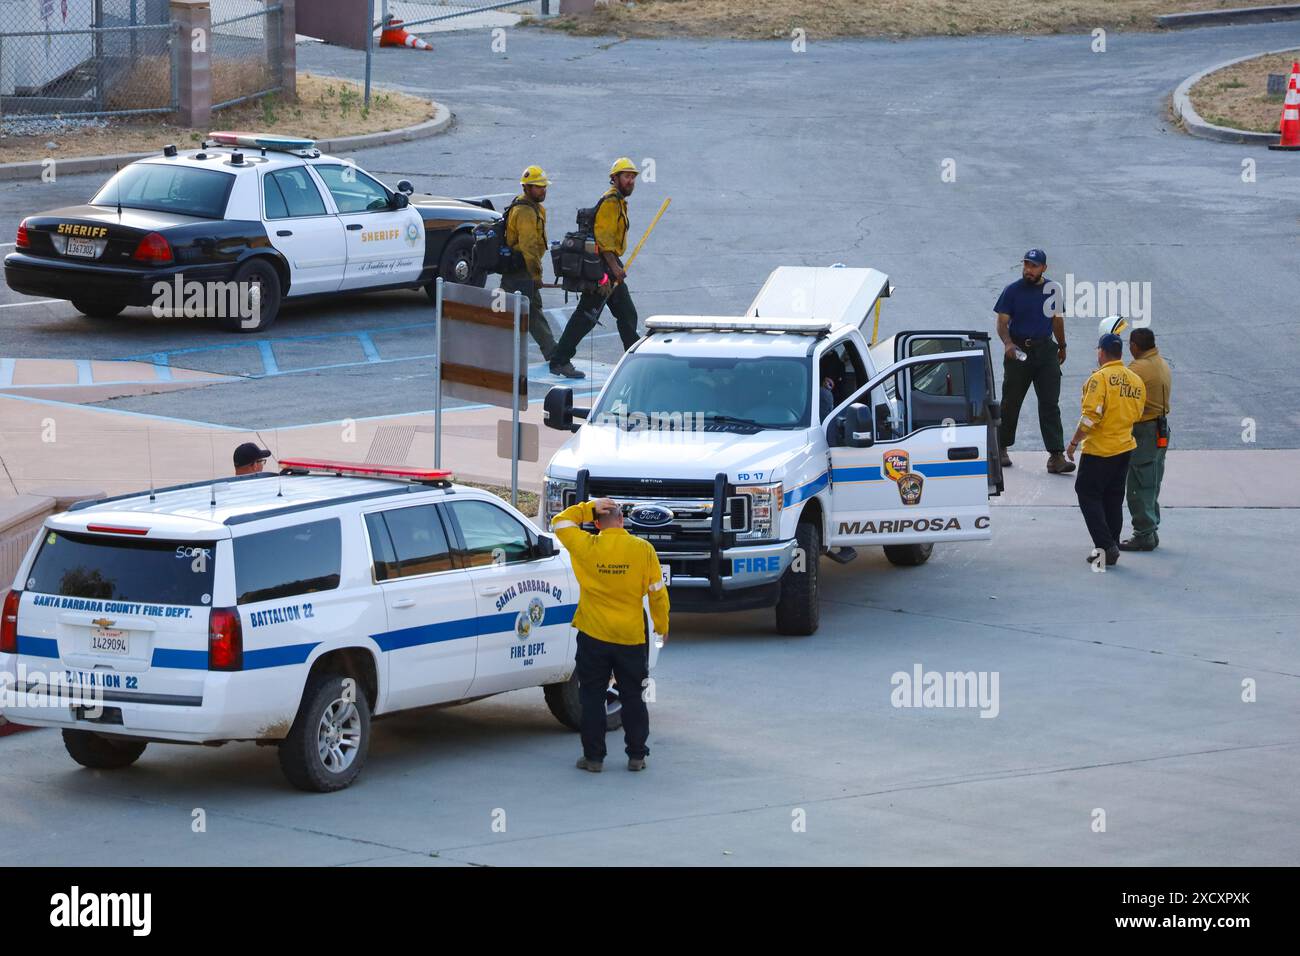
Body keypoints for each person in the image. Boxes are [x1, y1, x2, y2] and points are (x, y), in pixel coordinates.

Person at [550, 496, 669, 772]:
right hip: (630, 637)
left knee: (591, 697)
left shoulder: (586, 546)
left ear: (596, 523)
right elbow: (657, 593)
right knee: (634, 697)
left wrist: (586, 507)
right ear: (621, 520)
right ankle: (637, 756)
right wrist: (661, 626)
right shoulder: (643, 549)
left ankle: (593, 758)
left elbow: (560, 522)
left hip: (593, 634)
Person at [549, 158, 641, 380]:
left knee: (624, 314)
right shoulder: (610, 202)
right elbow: (603, 239)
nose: (631, 181)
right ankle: (560, 360)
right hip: (603, 268)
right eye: (626, 176)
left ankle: (636, 360)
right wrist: (613, 269)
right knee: (587, 316)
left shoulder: (618, 201)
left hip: (607, 265)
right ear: (615, 178)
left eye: (633, 177)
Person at [1065, 334, 1146, 566]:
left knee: (1087, 494)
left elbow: (1090, 418)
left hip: (1100, 450)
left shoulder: (1099, 379)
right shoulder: (1135, 380)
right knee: (1113, 497)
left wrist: (1073, 442)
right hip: (1124, 447)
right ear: (1120, 353)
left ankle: (1106, 545)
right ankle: (1112, 544)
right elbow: (1138, 414)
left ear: (1101, 352)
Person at [994, 248, 1073, 474]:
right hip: (1019, 350)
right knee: (1011, 401)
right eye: (1026, 265)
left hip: (1045, 350)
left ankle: (1056, 456)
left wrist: (1062, 345)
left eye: (1034, 266)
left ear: (1044, 268)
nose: (1028, 270)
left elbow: (1057, 320)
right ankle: (1001, 447)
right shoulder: (1012, 291)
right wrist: (1008, 343)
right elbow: (1002, 322)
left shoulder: (1052, 290)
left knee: (1050, 403)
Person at [500, 165, 558, 362]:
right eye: (538, 187)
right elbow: (529, 247)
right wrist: (536, 276)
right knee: (532, 314)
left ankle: (494, 353)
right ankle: (555, 357)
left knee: (518, 313)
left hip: (518, 270)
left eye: (544, 186)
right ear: (527, 188)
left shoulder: (529, 206)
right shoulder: (525, 211)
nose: (543, 190)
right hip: (521, 270)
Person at [1121, 327, 1171, 551]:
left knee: (1138, 484)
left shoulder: (1137, 368)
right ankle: (1151, 530)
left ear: (1133, 346)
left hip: (1144, 431)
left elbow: (1121, 397)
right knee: (1151, 482)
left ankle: (1144, 534)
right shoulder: (1160, 362)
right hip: (1160, 427)